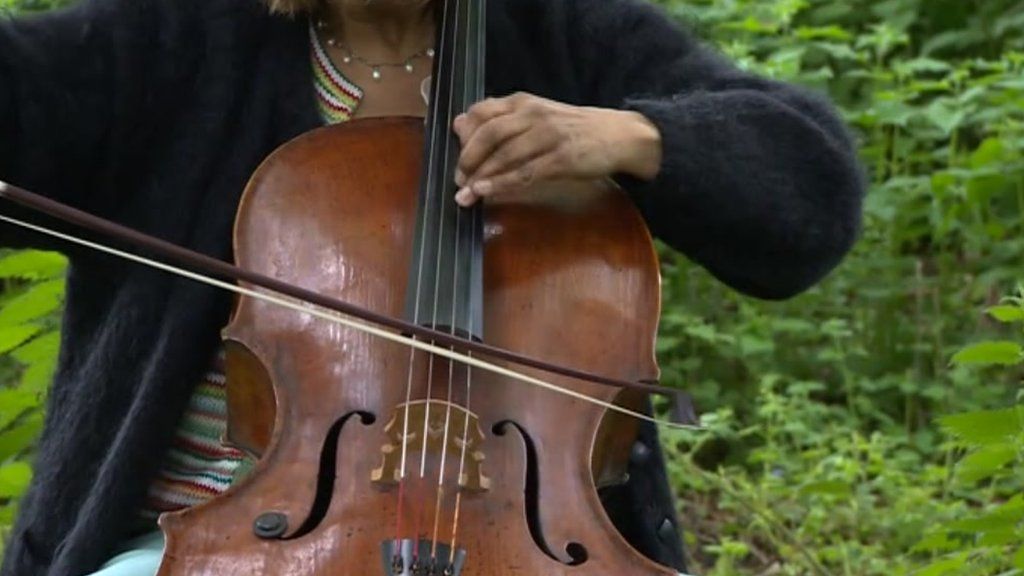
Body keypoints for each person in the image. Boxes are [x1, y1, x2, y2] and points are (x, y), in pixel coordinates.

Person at [0, 0, 865, 573]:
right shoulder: (171, 40)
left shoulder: (568, 32)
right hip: (207, 540)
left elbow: (811, 190)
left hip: (524, 543)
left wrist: (632, 137)